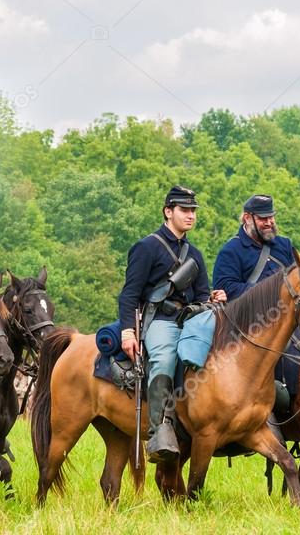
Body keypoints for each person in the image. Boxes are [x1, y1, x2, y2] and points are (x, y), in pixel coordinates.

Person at [118, 186, 226, 463]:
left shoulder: (196, 254)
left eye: (193, 211)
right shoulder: (146, 247)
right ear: (168, 212)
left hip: (191, 320)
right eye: (184, 210)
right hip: (161, 320)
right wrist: (128, 331)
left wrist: (214, 297)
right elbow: (129, 294)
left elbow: (202, 295)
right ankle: (159, 430)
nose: (191, 215)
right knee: (164, 360)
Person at [212, 195, 295, 301]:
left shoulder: (285, 244)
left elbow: (298, 276)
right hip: (253, 316)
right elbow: (226, 289)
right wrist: (269, 290)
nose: (269, 223)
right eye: (263, 218)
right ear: (247, 218)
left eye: (271, 217)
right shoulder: (230, 251)